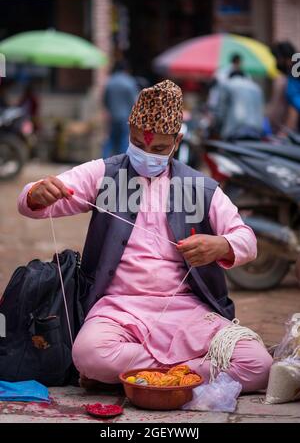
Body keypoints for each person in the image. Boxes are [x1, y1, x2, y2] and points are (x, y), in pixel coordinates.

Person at [18, 80, 272, 393]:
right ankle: (186, 375)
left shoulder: (200, 187)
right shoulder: (105, 174)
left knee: (257, 364)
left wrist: (221, 245)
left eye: (158, 149)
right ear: (129, 133)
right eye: (138, 144)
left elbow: (247, 240)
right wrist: (36, 194)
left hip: (187, 310)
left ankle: (142, 375)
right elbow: (33, 202)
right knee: (88, 354)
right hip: (118, 309)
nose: (146, 153)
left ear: (177, 142)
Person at [102, 60, 139, 157]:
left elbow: (105, 100)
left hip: (113, 116)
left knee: (111, 139)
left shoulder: (110, 81)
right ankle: (122, 164)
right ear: (126, 69)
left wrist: (110, 110)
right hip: (125, 117)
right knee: (124, 140)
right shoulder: (129, 82)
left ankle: (104, 161)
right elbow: (135, 102)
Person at [216, 70, 264, 140]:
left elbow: (221, 110)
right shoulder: (257, 88)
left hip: (235, 130)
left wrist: (219, 126)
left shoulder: (227, 85)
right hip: (256, 130)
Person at [268, 41, 298, 134]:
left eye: (277, 59)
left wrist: (284, 133)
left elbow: (295, 108)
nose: (276, 63)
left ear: (286, 59)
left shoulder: (294, 76)